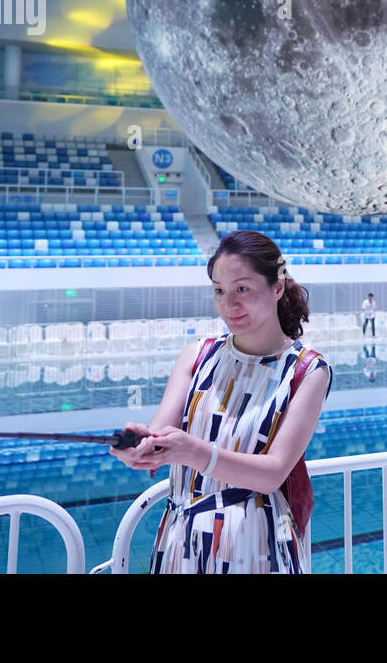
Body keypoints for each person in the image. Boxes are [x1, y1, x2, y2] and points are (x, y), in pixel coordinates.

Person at [110, 230, 331, 573]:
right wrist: (138, 448)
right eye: (219, 291)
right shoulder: (197, 356)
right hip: (181, 541)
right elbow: (158, 440)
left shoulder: (307, 371)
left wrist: (193, 451)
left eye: (243, 289)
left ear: (276, 288)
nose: (229, 304)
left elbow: (272, 474)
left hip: (255, 542)